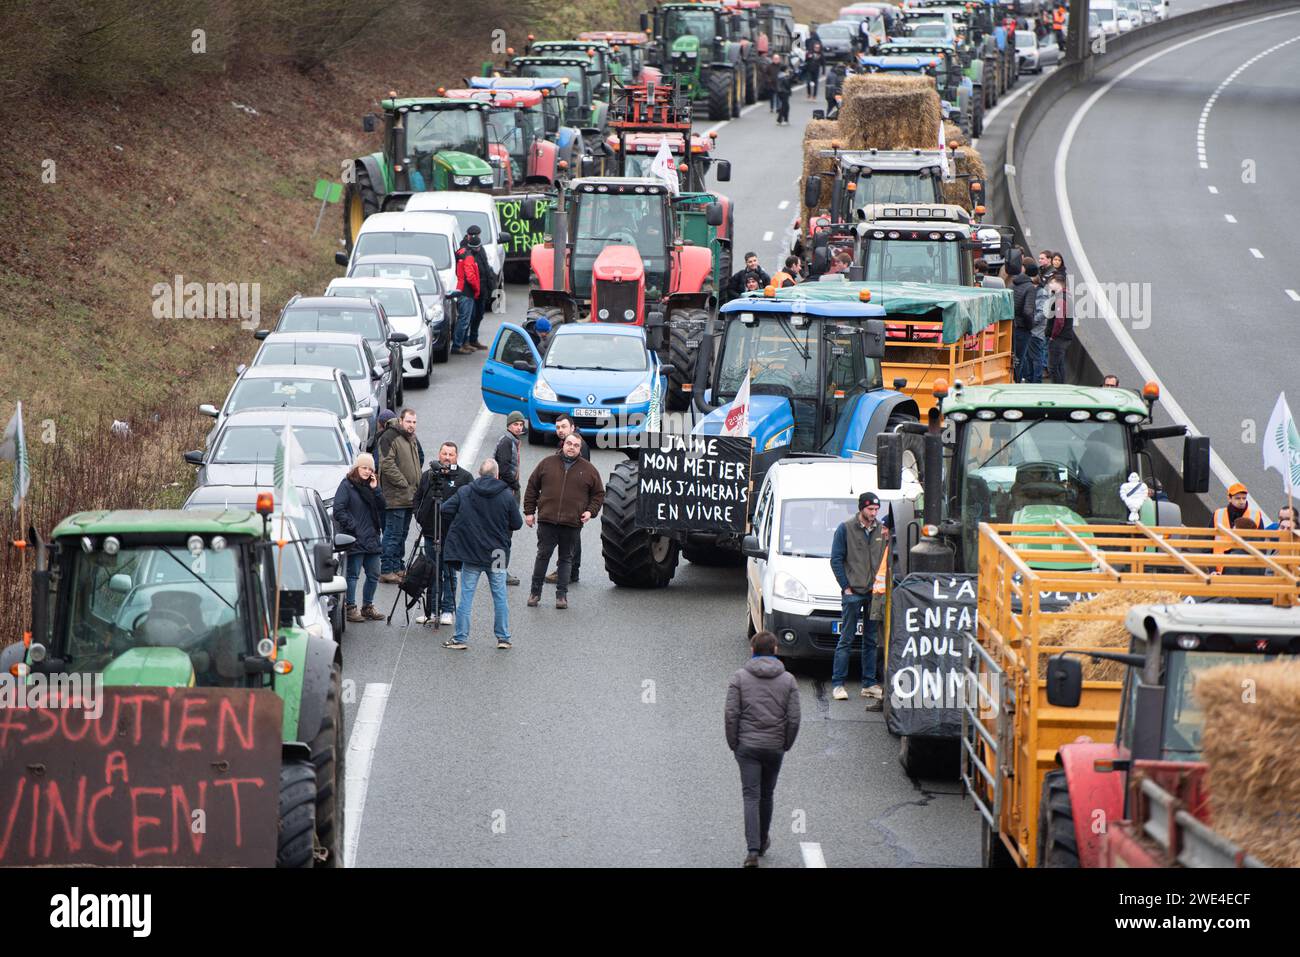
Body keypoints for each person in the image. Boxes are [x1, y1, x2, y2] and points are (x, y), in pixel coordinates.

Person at [724, 629, 801, 868]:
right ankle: (764, 838)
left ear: (752, 650)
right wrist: (785, 743)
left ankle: (752, 850)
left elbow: (731, 714)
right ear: (776, 651)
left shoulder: (739, 678)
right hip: (774, 746)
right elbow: (794, 718)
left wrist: (733, 743)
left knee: (751, 795)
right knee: (767, 794)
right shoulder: (788, 680)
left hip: (747, 747)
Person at [439, 458, 523, 650]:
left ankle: (460, 638)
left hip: (471, 551)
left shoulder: (466, 491)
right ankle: (503, 638)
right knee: (500, 595)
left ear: (479, 473)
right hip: (498, 552)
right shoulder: (506, 495)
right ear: (497, 474)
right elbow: (516, 524)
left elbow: (445, 509)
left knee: (466, 597)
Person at [523, 432, 604, 609]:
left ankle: (562, 596)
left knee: (566, 559)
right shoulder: (547, 463)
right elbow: (532, 486)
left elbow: (598, 494)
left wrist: (591, 512)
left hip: (572, 523)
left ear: (580, 448)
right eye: (569, 444)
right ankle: (535, 593)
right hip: (547, 520)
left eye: (576, 445)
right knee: (542, 556)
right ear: (563, 444)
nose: (572, 447)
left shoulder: (589, 470)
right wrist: (529, 512)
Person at [829, 491, 889, 704]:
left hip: (874, 593)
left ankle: (869, 684)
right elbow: (836, 559)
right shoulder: (845, 529)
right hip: (853, 592)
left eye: (876, 509)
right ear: (861, 508)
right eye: (870, 509)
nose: (874, 513)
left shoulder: (882, 529)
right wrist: (846, 587)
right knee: (846, 639)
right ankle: (838, 684)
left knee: (871, 640)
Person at [413, 441, 474, 626]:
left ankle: (447, 610)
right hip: (431, 533)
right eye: (444, 454)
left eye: (451, 454)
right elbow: (417, 499)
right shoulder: (428, 476)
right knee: (431, 572)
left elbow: (470, 506)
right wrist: (420, 518)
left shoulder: (465, 477)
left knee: (449, 573)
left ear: (456, 457)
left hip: (452, 536)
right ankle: (431, 610)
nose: (447, 458)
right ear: (439, 454)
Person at [333, 453, 388, 623]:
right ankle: (350, 607)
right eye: (364, 467)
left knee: (374, 574)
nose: (366, 471)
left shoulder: (371, 487)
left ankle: (367, 606)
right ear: (357, 468)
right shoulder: (346, 485)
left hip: (371, 538)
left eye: (370, 469)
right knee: (353, 574)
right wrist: (353, 527)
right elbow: (338, 510)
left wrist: (376, 489)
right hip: (355, 538)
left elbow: (382, 506)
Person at [545, 415, 591, 585]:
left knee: (571, 535)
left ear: (572, 427)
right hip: (570, 498)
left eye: (563, 427)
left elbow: (581, 473)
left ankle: (569, 571)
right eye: (557, 428)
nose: (560, 431)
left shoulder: (579, 446)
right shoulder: (566, 444)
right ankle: (571, 570)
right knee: (572, 535)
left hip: (575, 499)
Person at [379, 408, 424, 582]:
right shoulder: (389, 436)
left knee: (402, 534)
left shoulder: (410, 437)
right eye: (409, 421)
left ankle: (398, 567)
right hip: (396, 496)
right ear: (401, 420)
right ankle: (386, 569)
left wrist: (415, 481)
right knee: (393, 534)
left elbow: (418, 458)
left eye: (414, 422)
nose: (412, 425)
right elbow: (387, 464)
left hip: (409, 496)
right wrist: (404, 482)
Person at [495, 411, 527, 585]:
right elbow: (504, 469)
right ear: (509, 425)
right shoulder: (507, 442)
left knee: (504, 535)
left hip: (508, 492)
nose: (519, 427)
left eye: (521, 424)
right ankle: (499, 572)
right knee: (503, 536)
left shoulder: (510, 440)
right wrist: (515, 485)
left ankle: (498, 570)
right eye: (516, 424)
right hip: (507, 493)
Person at [464, 227, 496, 350]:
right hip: (472, 290)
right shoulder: (467, 251)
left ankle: (473, 339)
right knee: (470, 316)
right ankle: (466, 341)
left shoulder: (480, 248)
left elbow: (486, 266)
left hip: (482, 288)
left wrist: (490, 285)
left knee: (479, 315)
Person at [453, 234, 481, 355]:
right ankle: (457, 345)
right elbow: (470, 276)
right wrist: (476, 288)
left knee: (465, 319)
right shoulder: (469, 257)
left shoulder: (463, 252)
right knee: (464, 319)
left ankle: (463, 343)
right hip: (466, 291)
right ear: (477, 247)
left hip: (463, 290)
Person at [1045, 266, 1072, 384]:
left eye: (1051, 283)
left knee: (1053, 367)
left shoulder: (1061, 299)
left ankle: (1058, 388)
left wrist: (1052, 336)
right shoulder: (1066, 296)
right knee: (1059, 365)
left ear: (1058, 284)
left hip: (1059, 338)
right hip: (1063, 337)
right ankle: (1062, 387)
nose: (1049, 285)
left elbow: (1059, 321)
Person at [1008, 260, 1034, 382]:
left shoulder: (1014, 285)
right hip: (1022, 329)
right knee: (1019, 360)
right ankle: (1017, 383)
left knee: (1010, 358)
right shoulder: (1029, 288)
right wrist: (1030, 326)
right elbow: (1028, 311)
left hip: (1011, 327)